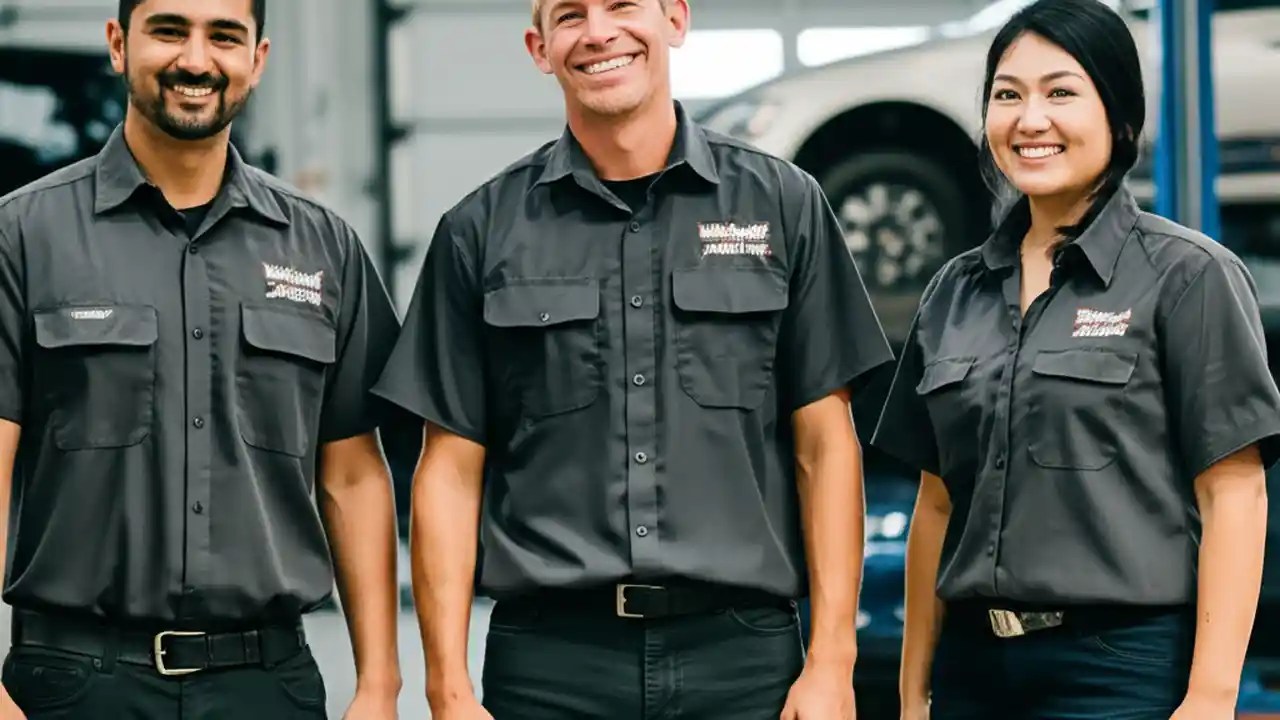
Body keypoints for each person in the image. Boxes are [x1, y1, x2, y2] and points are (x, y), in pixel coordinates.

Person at [370, 0, 895, 717]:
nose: (599, 32)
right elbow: (449, 473)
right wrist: (448, 686)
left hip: (740, 661)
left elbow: (825, 449)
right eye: (570, 15)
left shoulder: (783, 206)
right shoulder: (479, 231)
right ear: (539, 46)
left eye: (622, 6)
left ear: (675, 19)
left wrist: (833, 659)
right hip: (551, 667)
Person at [871, 0, 1280, 717]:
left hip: (1120, 669)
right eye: (1008, 95)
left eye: (1061, 92)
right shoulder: (953, 291)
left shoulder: (1188, 277)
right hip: (971, 666)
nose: (1030, 120)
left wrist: (1212, 694)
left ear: (1120, 117)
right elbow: (938, 503)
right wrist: (914, 688)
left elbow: (1235, 495)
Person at [0, 1, 404, 717]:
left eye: (224, 35)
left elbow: (353, 475)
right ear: (119, 45)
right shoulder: (24, 236)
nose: (196, 59)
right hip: (73, 685)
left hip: (266, 685)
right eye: (168, 30)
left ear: (259, 58)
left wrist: (378, 684)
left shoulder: (323, 248)